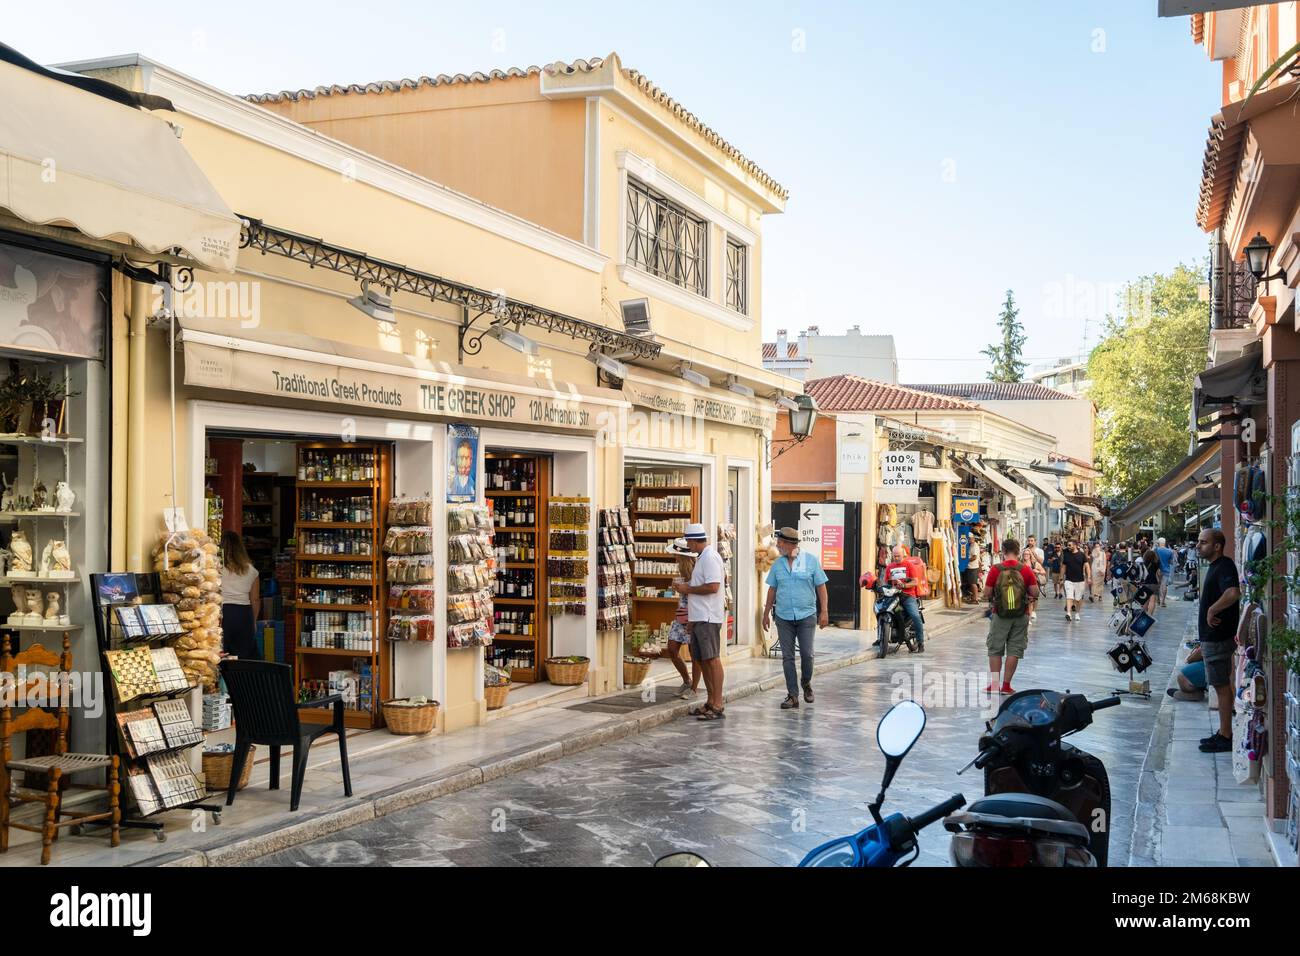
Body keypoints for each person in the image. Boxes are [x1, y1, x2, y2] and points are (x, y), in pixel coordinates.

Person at [763, 527, 829, 710]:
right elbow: (772, 590)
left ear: (789, 544)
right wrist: (766, 613)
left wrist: (824, 612)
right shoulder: (777, 565)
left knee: (807, 654)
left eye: (780, 543)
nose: (777, 545)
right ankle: (792, 695)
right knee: (788, 657)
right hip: (783, 617)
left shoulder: (811, 561)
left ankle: (806, 682)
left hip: (806, 615)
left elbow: (821, 587)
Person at [674, 523, 727, 721]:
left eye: (688, 540)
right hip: (699, 617)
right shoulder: (702, 558)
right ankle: (711, 701)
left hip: (708, 617)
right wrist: (692, 618)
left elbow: (713, 586)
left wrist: (687, 589)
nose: (687, 544)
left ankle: (718, 703)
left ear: (695, 540)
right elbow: (701, 585)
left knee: (712, 660)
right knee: (704, 660)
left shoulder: (710, 558)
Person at [1196, 528, 1241, 753]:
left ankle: (1225, 735)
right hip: (1212, 637)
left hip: (1217, 638)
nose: (1198, 546)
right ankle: (1224, 732)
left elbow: (1233, 593)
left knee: (1221, 686)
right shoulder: (1216, 567)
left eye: (1203, 542)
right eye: (1199, 542)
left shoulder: (1224, 566)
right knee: (1220, 685)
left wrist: (1213, 609)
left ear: (1217, 546)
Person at [984, 539, 1040, 695]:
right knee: (1014, 650)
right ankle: (1006, 686)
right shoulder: (1026, 570)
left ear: (1003, 550)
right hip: (1021, 614)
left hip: (999, 614)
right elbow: (1035, 592)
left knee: (995, 649)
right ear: (1018, 552)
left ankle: (994, 685)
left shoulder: (996, 569)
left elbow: (987, 593)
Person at [665, 541, 701, 700]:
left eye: (676, 555)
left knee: (695, 654)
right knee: (672, 649)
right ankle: (687, 680)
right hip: (681, 616)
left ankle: (694, 688)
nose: (674, 558)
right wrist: (676, 588)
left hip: (694, 615)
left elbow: (701, 592)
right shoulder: (681, 570)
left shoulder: (698, 570)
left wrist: (684, 589)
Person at [220, 531, 261, 659]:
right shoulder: (252, 571)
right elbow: (255, 599)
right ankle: (242, 679)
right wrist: (253, 621)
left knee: (220, 653)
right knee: (244, 655)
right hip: (243, 614)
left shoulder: (216, 568)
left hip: (221, 612)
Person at [882, 543, 926, 653]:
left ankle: (920, 642)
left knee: (915, 616)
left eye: (898, 556)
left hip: (907, 596)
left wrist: (904, 585)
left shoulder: (909, 565)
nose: (896, 558)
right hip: (893, 596)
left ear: (903, 555)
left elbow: (915, 582)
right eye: (894, 556)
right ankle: (881, 638)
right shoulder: (889, 567)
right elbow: (885, 582)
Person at [1061, 539, 1090, 622]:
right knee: (1069, 596)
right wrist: (1061, 577)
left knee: (1078, 599)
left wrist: (1089, 577)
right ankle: (1068, 613)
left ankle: (1077, 613)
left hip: (1080, 580)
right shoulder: (1066, 555)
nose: (1068, 547)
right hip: (1068, 580)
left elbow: (1087, 566)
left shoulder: (1082, 555)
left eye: (1070, 545)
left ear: (1075, 545)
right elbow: (1063, 567)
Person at [1024, 536, 1046, 623]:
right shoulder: (1024, 550)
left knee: (1034, 597)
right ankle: (1027, 614)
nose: (1030, 542)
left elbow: (1041, 562)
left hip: (1035, 578)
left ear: (1035, 541)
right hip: (1025, 581)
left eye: (1032, 540)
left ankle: (1033, 611)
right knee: (1027, 598)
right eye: (1029, 540)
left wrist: (1033, 554)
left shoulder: (1039, 551)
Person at [1154, 537, 1176, 608]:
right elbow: (1171, 562)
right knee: (1164, 586)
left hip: (1157, 570)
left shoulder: (1156, 550)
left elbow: (1153, 559)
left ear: (1159, 543)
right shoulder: (1170, 551)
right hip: (1166, 570)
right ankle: (1163, 602)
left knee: (1158, 585)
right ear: (1165, 543)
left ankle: (1158, 601)